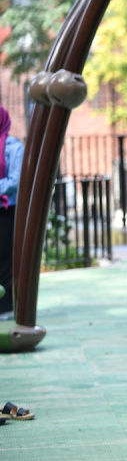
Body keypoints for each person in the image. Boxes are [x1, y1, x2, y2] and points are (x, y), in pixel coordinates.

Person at [0, 106, 23, 317]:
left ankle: (6, 308)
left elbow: (15, 182)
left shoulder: (13, 147)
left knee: (5, 258)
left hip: (7, 209)